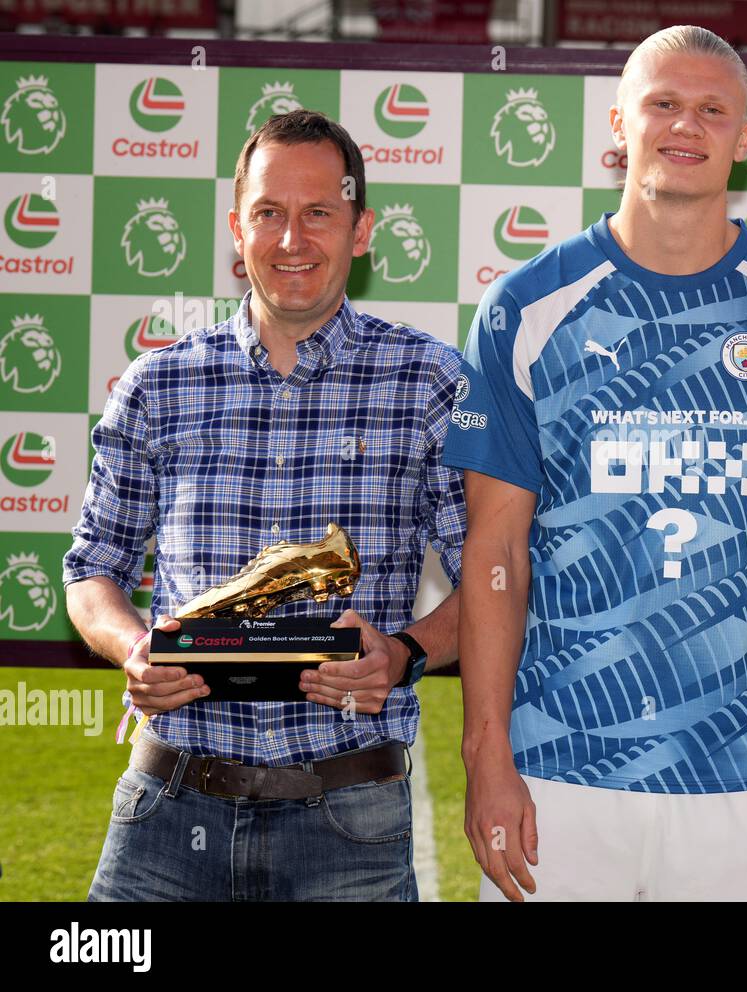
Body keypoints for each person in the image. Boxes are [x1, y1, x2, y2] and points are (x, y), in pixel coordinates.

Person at [444, 25, 747, 902]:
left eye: (712, 109)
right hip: (558, 769)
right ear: (619, 122)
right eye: (663, 103)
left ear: (746, 138)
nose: (685, 126)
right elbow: (495, 552)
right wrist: (486, 752)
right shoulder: (527, 307)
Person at [63, 110, 466, 901]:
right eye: (269, 213)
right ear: (236, 230)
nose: (292, 240)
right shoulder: (156, 386)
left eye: (319, 212)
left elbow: (492, 577)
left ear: (360, 230)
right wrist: (131, 648)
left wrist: (404, 654)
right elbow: (90, 572)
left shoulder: (430, 383)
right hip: (166, 809)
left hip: (349, 818)